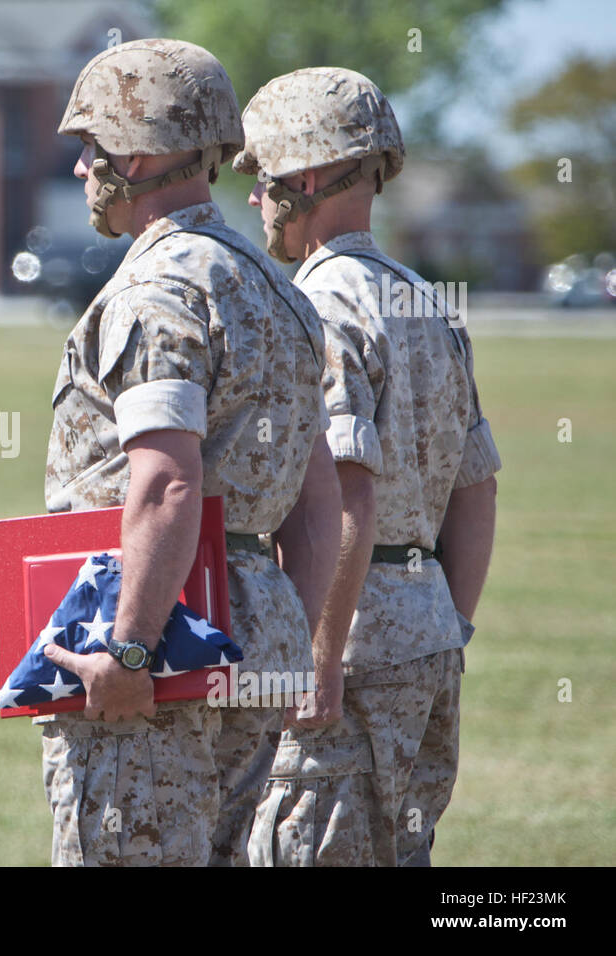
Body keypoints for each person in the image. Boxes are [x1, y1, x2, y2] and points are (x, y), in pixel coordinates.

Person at [38, 38, 347, 867]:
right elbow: (318, 501)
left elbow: (168, 482)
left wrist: (130, 647)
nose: (82, 172)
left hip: (158, 649)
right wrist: (295, 642)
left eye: (90, 150)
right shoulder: (279, 288)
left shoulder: (156, 290)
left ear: (136, 153)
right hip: (256, 634)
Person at [235, 68, 501, 866]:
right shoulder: (428, 303)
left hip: (345, 656)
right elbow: (476, 485)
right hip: (426, 642)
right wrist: (449, 623)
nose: (253, 197)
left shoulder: (317, 306)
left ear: (307, 178)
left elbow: (347, 489)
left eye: (263, 177)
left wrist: (319, 658)